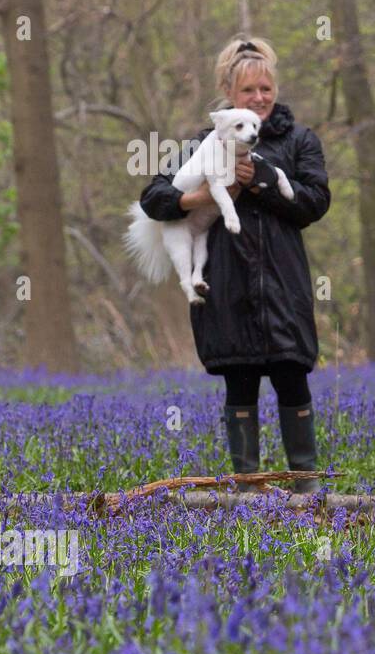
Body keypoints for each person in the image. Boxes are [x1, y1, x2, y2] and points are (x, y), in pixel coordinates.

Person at [138, 36, 331, 497]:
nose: (260, 98)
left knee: (292, 378)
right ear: (229, 93)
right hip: (225, 284)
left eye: (266, 88)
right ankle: (249, 491)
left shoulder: (300, 141)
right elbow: (153, 197)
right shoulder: (201, 144)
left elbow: (315, 201)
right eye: (249, 91)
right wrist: (196, 199)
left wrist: (261, 181)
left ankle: (305, 489)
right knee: (239, 385)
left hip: (284, 286)